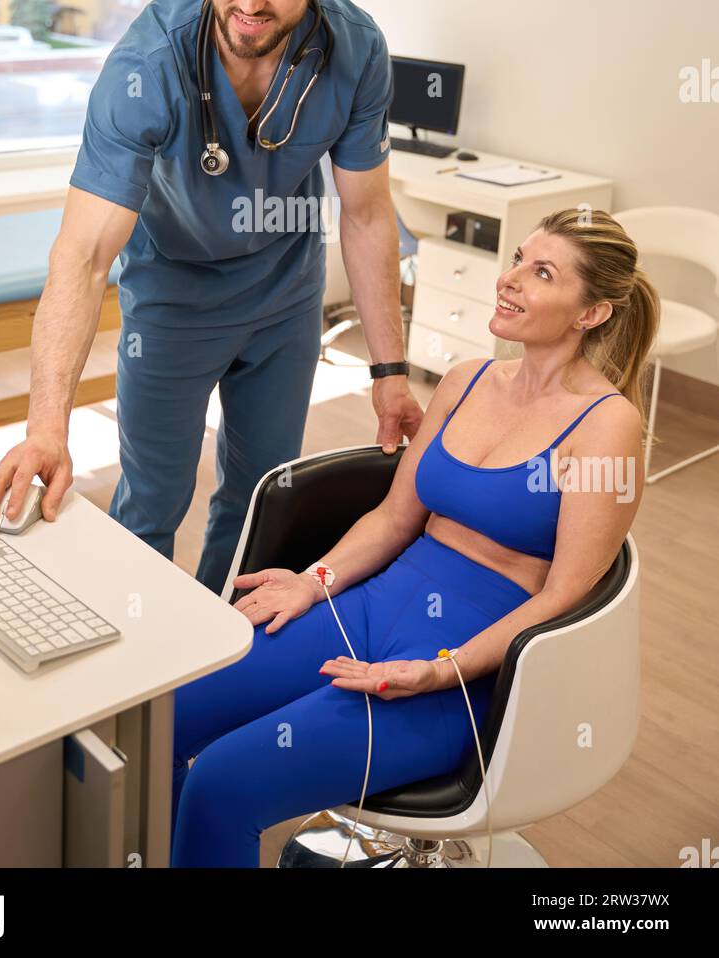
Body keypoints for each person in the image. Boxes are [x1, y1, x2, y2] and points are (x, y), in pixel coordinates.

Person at [0, 0, 423, 596]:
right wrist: (47, 427)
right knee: (151, 499)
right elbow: (82, 258)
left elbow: (366, 212)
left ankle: (217, 661)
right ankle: (135, 675)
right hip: (175, 298)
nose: (247, 2)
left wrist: (390, 373)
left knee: (261, 498)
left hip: (285, 291)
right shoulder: (148, 68)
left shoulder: (356, 50)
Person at [169, 208, 661, 867]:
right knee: (161, 718)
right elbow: (394, 519)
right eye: (517, 259)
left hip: (467, 663)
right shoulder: (467, 381)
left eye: (541, 273)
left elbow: (564, 596)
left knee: (222, 781)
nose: (509, 279)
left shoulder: (607, 425)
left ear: (590, 313)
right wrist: (314, 582)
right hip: (371, 605)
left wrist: (440, 670)